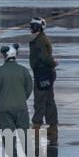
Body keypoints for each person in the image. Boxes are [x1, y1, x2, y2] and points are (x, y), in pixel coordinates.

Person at [0, 44, 33, 157]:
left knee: (8, 136)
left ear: (5, 56)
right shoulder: (24, 70)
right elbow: (29, 88)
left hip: (5, 108)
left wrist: (3, 99)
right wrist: (21, 99)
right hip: (21, 107)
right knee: (24, 134)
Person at [28, 17, 58, 148]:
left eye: (34, 25)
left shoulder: (39, 41)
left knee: (40, 100)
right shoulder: (41, 39)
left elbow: (44, 57)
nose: (31, 27)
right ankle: (52, 128)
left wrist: (53, 63)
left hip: (42, 74)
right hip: (46, 74)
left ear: (39, 27)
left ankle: (36, 127)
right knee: (49, 101)